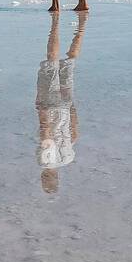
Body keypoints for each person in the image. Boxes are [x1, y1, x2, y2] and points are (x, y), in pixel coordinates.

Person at [36, 13, 86, 194]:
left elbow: (74, 133)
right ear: (45, 178)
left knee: (70, 62)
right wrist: (41, 109)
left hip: (66, 106)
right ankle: (55, 23)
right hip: (50, 107)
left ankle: (82, 27)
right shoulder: (45, 161)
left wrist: (72, 108)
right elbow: (46, 135)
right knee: (52, 60)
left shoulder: (68, 158)